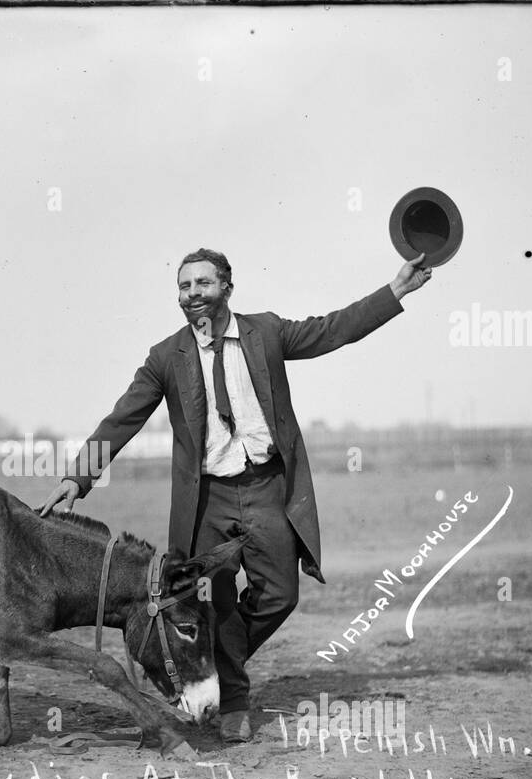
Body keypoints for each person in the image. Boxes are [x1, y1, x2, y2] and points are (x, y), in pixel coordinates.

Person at [39, 247, 432, 741]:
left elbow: (333, 330)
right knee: (213, 599)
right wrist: (78, 478)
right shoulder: (166, 357)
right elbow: (124, 419)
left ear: (227, 286)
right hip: (208, 499)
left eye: (203, 284)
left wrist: (396, 289)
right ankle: (234, 702)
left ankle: (217, 670)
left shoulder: (264, 333)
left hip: (267, 487)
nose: (192, 295)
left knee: (280, 595)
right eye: (184, 287)